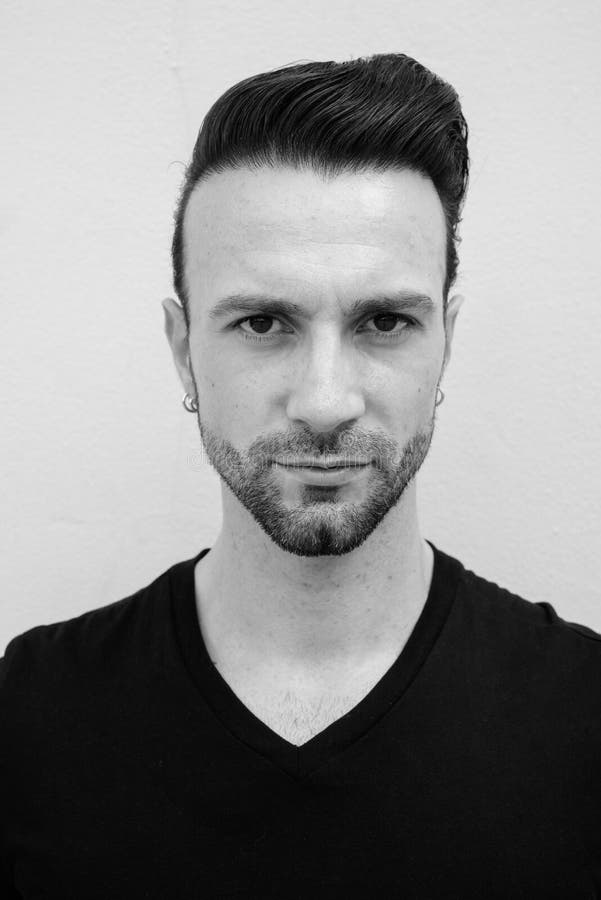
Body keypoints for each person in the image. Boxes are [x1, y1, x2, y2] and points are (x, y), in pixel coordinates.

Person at [1, 52, 600, 899]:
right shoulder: (30, 719)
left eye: (384, 321)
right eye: (262, 322)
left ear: (445, 345)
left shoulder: (581, 722)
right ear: (183, 351)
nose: (325, 402)